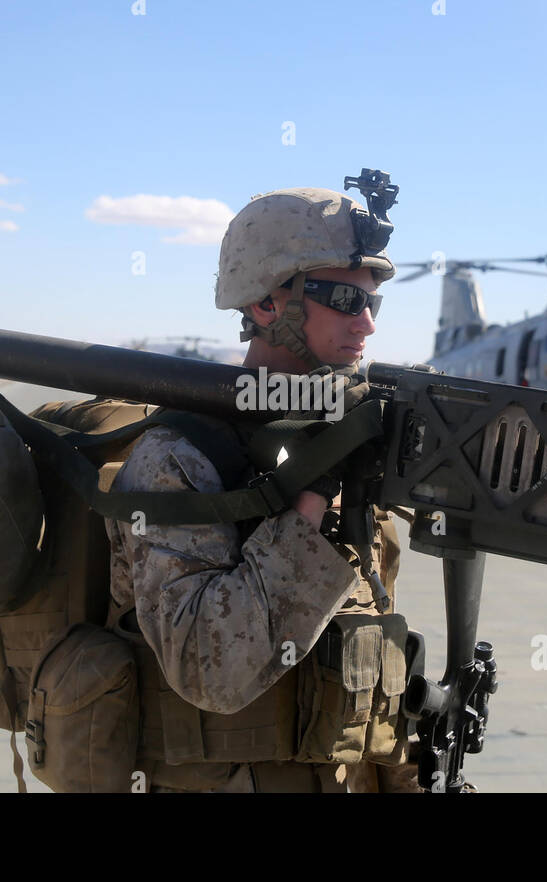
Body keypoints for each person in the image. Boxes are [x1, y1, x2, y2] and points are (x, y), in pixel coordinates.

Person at [104, 185, 421, 792]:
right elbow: (207, 668)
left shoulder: (348, 440)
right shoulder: (180, 454)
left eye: (373, 301)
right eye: (345, 298)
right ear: (269, 305)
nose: (368, 323)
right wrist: (308, 499)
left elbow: (372, 632)